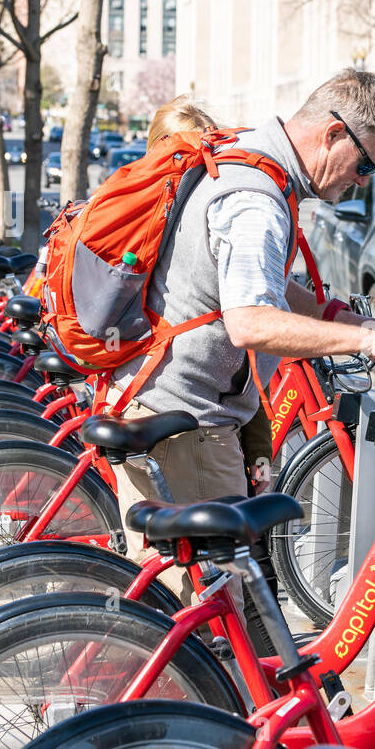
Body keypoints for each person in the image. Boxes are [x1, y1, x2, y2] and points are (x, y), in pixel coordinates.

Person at [110, 69, 375, 604]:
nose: (362, 182)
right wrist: (367, 344)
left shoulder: (246, 159)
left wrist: (350, 319)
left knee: (170, 606)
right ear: (333, 134)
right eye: (365, 166)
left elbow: (266, 288)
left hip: (161, 406)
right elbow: (250, 320)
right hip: (189, 425)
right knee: (211, 616)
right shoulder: (256, 199)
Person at [144, 95, 274, 496]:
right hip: (188, 417)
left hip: (135, 394)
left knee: (154, 552)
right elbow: (234, 353)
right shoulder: (203, 210)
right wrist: (260, 452)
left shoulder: (147, 214)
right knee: (222, 554)